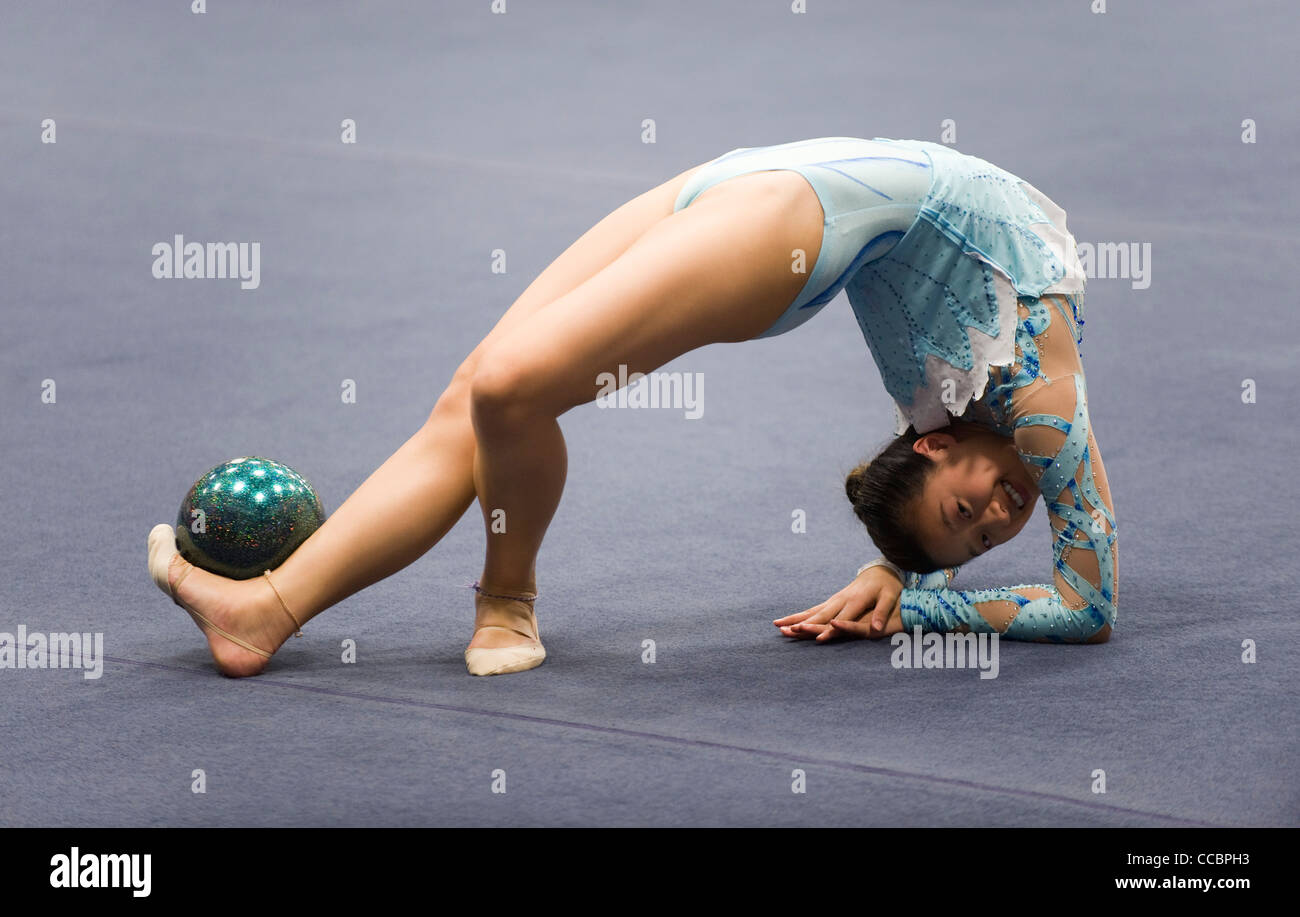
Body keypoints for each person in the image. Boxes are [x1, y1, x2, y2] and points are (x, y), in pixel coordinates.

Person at [147, 136, 1118, 678]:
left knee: (502, 391)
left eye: (978, 535)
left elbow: (940, 486)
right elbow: (1085, 607)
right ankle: (499, 608)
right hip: (787, 209)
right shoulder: (1042, 412)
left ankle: (266, 611)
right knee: (486, 392)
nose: (1003, 516)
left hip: (792, 194)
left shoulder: (958, 417)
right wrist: (921, 604)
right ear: (938, 448)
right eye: (974, 515)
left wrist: (907, 579)